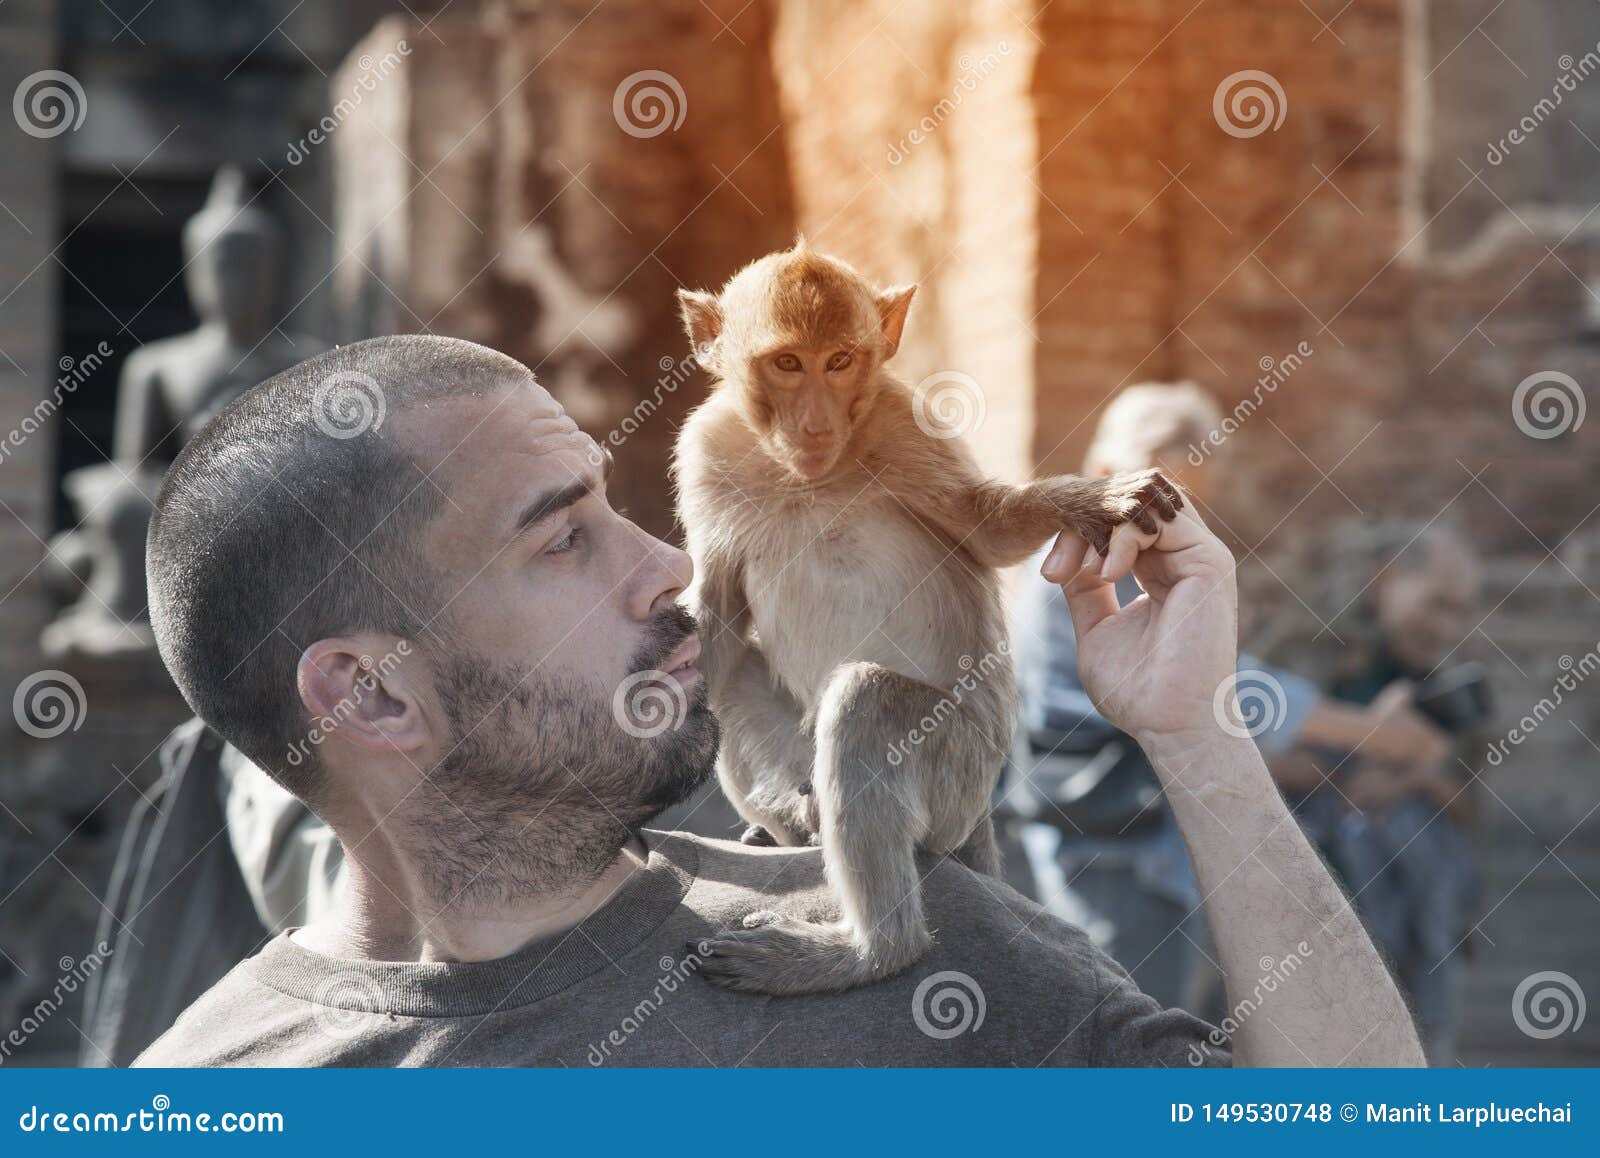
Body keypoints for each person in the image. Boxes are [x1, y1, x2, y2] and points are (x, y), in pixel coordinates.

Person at [132, 335, 1421, 1066]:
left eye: (618, 508)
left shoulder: (919, 958)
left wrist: (1197, 737)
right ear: (366, 694)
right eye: (562, 542)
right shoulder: (211, 1084)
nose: (670, 570)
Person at [1007, 384, 1457, 1013]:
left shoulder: (1119, 561)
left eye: (1189, 505)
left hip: (1147, 845)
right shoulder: (1084, 569)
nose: (1173, 524)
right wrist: (1368, 732)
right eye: (1162, 500)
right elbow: (1215, 686)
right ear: (1108, 475)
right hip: (1108, 855)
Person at [1255, 522, 1486, 1064]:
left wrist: (1413, 776)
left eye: (1461, 610)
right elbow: (1245, 753)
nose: (1446, 627)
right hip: (1305, 912)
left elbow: (1470, 806)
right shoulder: (1308, 650)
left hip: (1421, 921)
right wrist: (1349, 769)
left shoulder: (1457, 684)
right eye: (1435, 604)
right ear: (1384, 578)